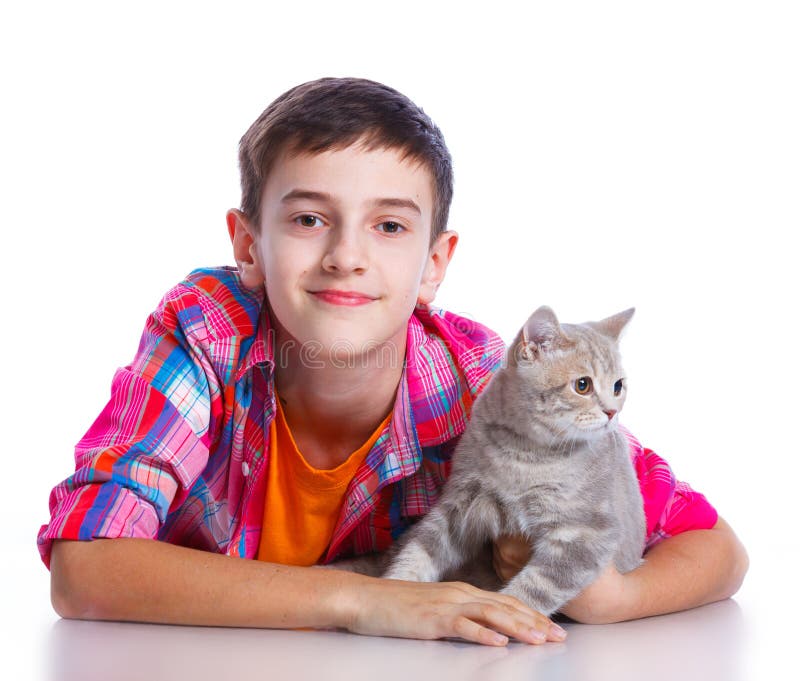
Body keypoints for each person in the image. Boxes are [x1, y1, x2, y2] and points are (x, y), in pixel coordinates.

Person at [39, 77, 748, 647]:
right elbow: (85, 566)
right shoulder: (207, 333)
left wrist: (612, 597)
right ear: (249, 245)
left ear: (434, 263)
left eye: (389, 225)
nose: (347, 255)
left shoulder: (481, 380)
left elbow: (718, 548)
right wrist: (364, 600)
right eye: (309, 218)